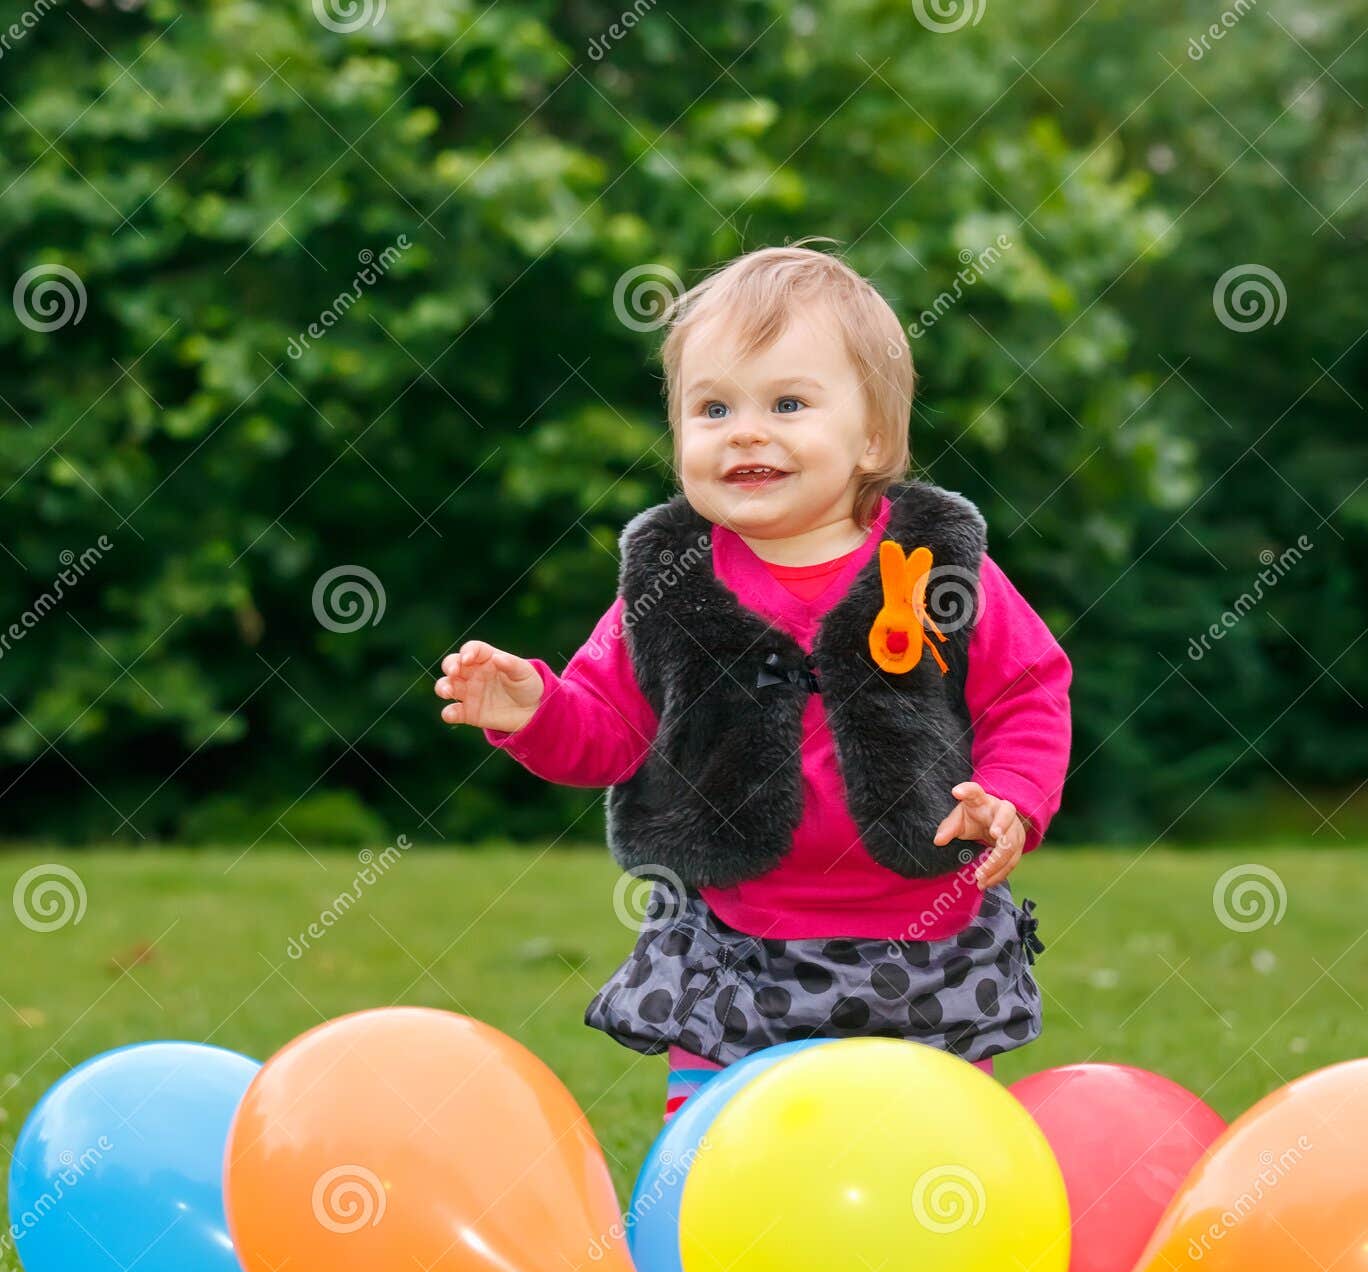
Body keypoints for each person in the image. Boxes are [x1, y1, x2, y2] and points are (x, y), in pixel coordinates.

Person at [436, 240, 1072, 1124]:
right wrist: (537, 709)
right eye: (712, 408)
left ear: (873, 439)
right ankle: (708, 1251)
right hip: (734, 944)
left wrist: (1008, 797)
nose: (745, 430)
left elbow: (1028, 692)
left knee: (931, 1151)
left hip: (927, 932)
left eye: (787, 403)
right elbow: (611, 729)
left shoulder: (934, 568)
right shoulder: (670, 584)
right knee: (721, 1149)